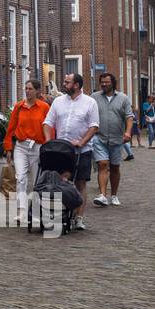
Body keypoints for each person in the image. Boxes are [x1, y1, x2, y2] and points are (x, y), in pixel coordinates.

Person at [42, 73, 100, 231]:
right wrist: (48, 140)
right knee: (60, 180)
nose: (64, 83)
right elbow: (48, 122)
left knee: (80, 182)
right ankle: (61, 213)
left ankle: (79, 217)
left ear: (76, 85)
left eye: (67, 82)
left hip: (82, 150)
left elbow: (94, 126)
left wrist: (82, 142)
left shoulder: (90, 102)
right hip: (61, 150)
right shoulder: (58, 102)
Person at [4, 79, 50, 224]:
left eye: (30, 88)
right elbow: (11, 128)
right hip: (21, 146)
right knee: (21, 178)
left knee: (37, 180)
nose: (27, 91)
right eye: (26, 88)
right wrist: (8, 148)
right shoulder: (19, 107)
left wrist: (49, 146)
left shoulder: (44, 107)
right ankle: (21, 211)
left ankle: (36, 211)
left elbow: (49, 126)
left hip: (38, 146)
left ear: (37, 91)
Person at [90, 72, 134, 207]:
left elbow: (129, 116)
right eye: (102, 82)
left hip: (117, 138)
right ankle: (102, 195)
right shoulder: (94, 97)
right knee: (102, 164)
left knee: (115, 167)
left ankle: (114, 195)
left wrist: (127, 132)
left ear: (113, 83)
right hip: (99, 137)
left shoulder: (123, 98)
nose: (104, 84)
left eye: (107, 82)